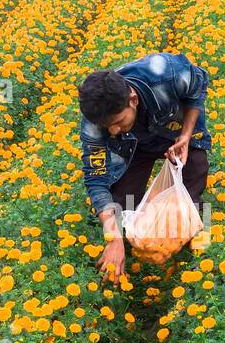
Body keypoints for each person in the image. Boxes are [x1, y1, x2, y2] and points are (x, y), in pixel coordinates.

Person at [78, 52, 212, 281]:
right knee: (124, 197)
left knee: (192, 185)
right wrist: (114, 238)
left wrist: (186, 136)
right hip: (133, 146)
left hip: (176, 129)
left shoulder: (165, 73)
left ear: (133, 99)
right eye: (106, 126)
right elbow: (96, 177)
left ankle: (192, 255)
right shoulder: (95, 120)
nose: (112, 131)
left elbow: (197, 85)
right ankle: (133, 250)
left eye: (118, 122)